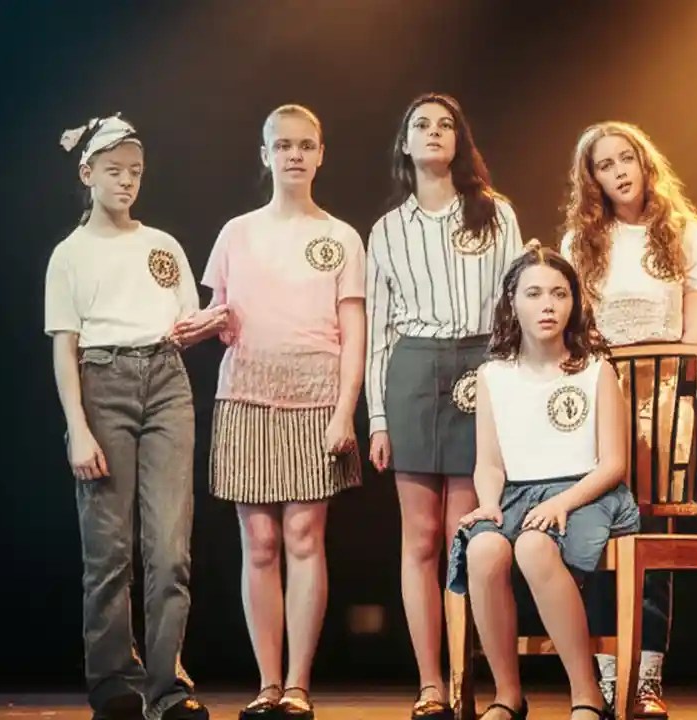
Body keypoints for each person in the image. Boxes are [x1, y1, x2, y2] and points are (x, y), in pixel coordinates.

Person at [46, 113, 223, 720]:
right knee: (109, 548)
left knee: (170, 548)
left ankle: (166, 687)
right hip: (104, 380)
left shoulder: (162, 245)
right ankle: (114, 684)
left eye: (136, 173)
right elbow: (64, 345)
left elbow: (183, 323)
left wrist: (210, 323)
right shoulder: (69, 254)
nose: (127, 182)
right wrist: (77, 425)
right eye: (116, 171)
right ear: (87, 172)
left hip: (166, 381)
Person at [201, 104, 366, 720]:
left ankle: (297, 685)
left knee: (303, 534)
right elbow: (217, 316)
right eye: (283, 145)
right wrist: (208, 324)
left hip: (317, 397)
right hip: (246, 396)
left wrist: (344, 411)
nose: (294, 154)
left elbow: (355, 330)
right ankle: (267, 683)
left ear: (321, 154)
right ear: (264, 154)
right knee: (260, 539)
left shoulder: (341, 236)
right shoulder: (236, 232)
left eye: (305, 145)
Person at [365, 91, 524, 720]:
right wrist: (377, 417)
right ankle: (432, 682)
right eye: (421, 125)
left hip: (481, 367)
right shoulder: (385, 230)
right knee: (421, 536)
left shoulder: (495, 213)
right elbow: (379, 330)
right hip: (413, 370)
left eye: (445, 124)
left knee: (470, 531)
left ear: (460, 140)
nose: (433, 133)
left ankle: (468, 677)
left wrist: (508, 387)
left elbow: (518, 304)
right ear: (405, 144)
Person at [447, 242, 640, 720]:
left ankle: (586, 693)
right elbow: (489, 464)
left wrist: (564, 503)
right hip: (517, 495)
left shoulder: (595, 370)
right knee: (483, 549)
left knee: (534, 546)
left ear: (575, 302)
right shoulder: (494, 376)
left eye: (559, 293)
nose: (548, 304)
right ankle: (507, 695)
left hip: (588, 492)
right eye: (534, 293)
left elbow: (614, 463)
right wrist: (490, 503)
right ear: (513, 300)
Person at [559, 120, 697, 717]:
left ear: (646, 163)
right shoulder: (581, 241)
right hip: (604, 397)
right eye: (606, 164)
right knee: (599, 535)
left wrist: (680, 402)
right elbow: (574, 330)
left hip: (668, 396)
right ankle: (604, 674)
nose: (620, 171)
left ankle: (646, 677)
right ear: (591, 178)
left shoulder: (683, 232)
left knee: (652, 537)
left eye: (628, 158)